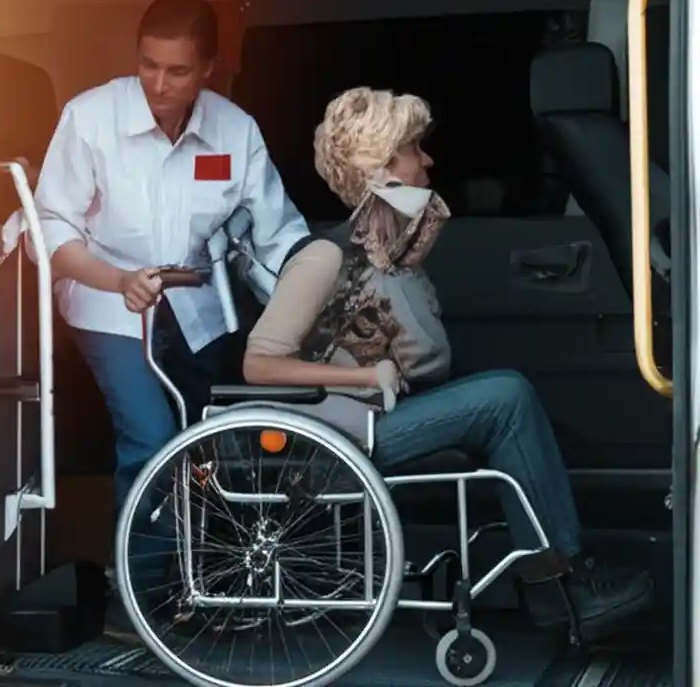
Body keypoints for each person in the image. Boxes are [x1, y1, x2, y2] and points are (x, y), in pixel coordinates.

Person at [241, 86, 654, 642]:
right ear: (382, 167)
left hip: (382, 421)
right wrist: (362, 375)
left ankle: (555, 585)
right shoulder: (326, 256)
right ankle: (563, 585)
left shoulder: (395, 259)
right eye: (415, 149)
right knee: (505, 395)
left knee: (510, 400)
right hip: (339, 442)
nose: (428, 161)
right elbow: (260, 366)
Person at [31, 0, 310, 637]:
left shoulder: (235, 131)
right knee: (153, 439)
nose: (158, 84)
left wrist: (315, 284)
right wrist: (118, 279)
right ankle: (137, 601)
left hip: (199, 311)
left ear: (208, 69)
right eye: (148, 66)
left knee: (207, 448)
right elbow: (50, 227)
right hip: (107, 304)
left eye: (178, 71)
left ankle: (201, 588)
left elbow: (275, 234)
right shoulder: (90, 117)